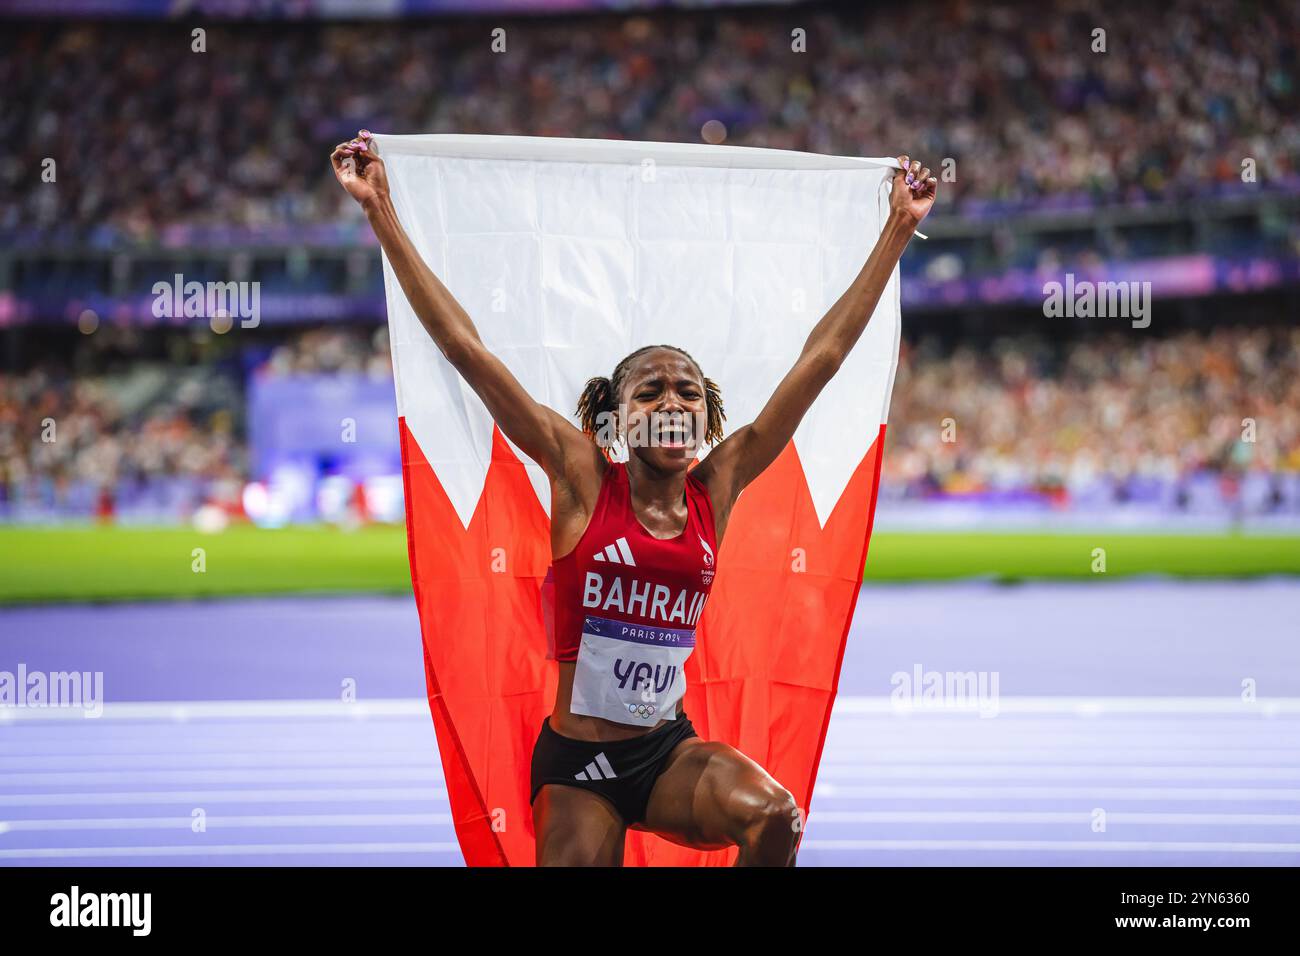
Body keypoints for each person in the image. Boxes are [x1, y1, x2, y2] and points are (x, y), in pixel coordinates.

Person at [331, 129, 937, 865]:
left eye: (686, 388)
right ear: (616, 420)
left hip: (667, 754)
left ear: (706, 417)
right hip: (580, 767)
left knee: (777, 818)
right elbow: (466, 349)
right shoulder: (582, 476)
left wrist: (899, 227)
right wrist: (381, 211)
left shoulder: (722, 481)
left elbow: (824, 357)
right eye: (650, 390)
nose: (672, 399)